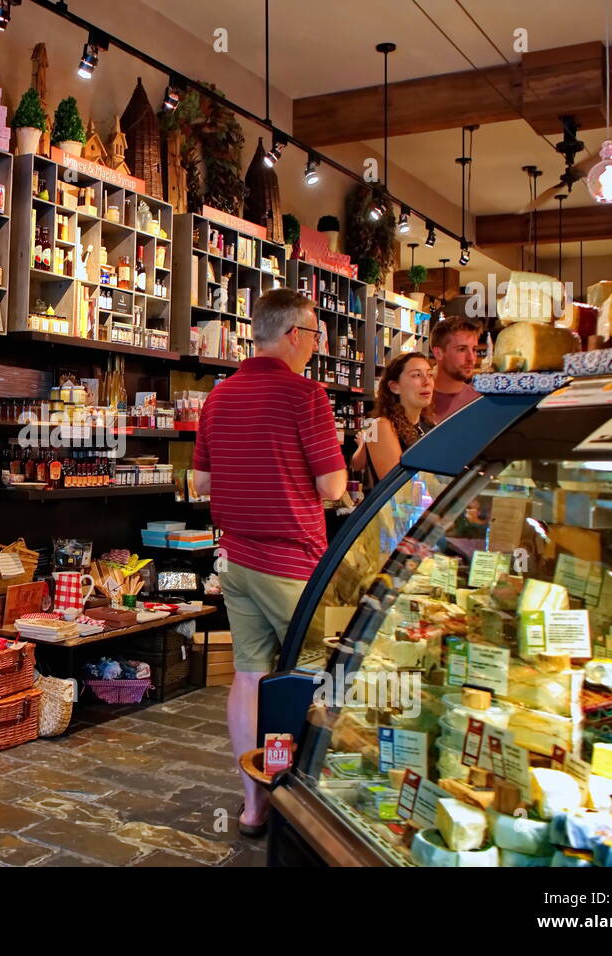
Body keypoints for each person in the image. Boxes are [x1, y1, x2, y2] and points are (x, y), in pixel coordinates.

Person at [192, 289, 347, 837]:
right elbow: (332, 487)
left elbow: (202, 483)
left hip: (234, 556)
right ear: (293, 335)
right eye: (314, 336)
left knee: (250, 676)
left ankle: (253, 804)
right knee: (316, 677)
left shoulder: (219, 397)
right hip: (291, 558)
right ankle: (306, 799)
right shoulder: (306, 396)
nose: (316, 347)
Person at [350, 352, 435, 484]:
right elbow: (399, 489)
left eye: (430, 375)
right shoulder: (379, 426)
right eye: (417, 375)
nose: (427, 382)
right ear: (395, 387)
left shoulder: (429, 425)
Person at [428, 316, 482, 424]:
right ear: (438, 353)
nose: (471, 358)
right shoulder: (419, 398)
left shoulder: (478, 402)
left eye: (474, 349)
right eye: (461, 349)